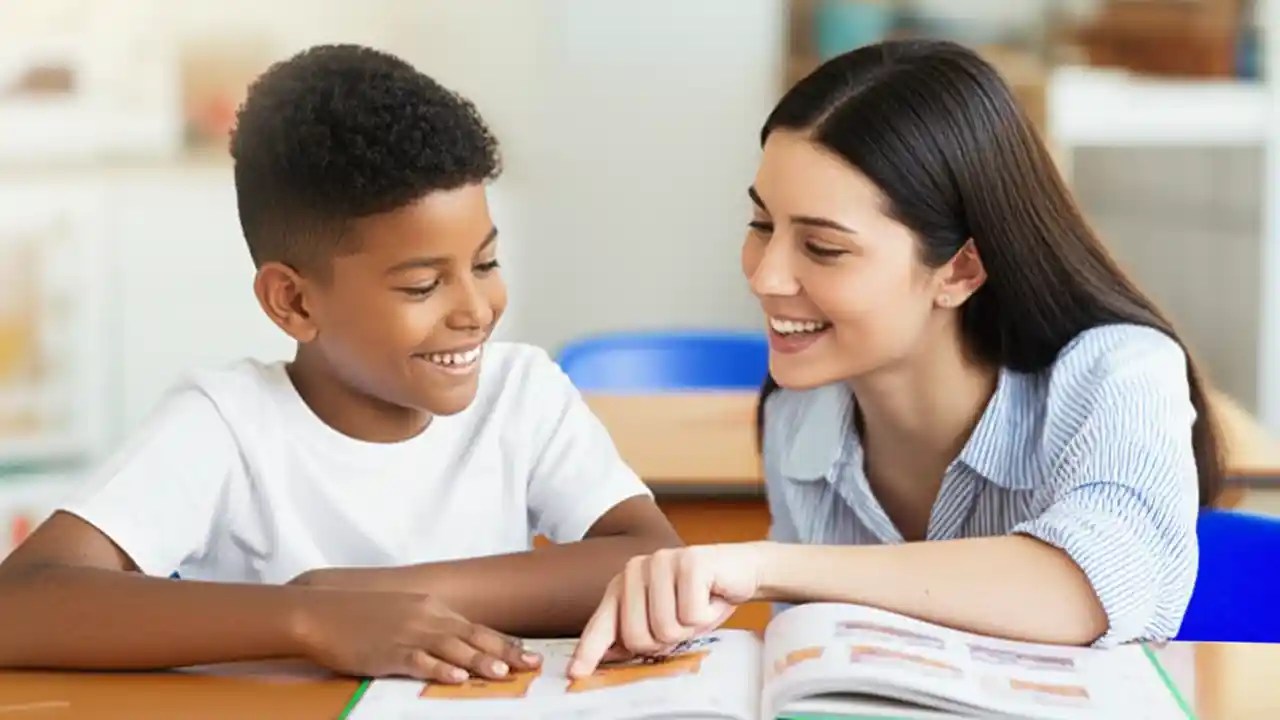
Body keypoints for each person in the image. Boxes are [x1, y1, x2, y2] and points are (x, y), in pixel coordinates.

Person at [0, 44, 679, 683]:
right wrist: (309, 616)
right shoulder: (226, 426)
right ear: (292, 301)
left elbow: (651, 558)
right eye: (421, 285)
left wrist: (380, 595)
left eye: (486, 263)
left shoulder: (521, 395)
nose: (475, 308)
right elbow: (20, 605)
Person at [569, 39, 1221, 677]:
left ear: (962, 269)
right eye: (763, 224)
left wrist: (764, 565)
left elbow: (1091, 585)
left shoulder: (1119, 370)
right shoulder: (805, 409)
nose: (767, 276)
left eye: (823, 248)